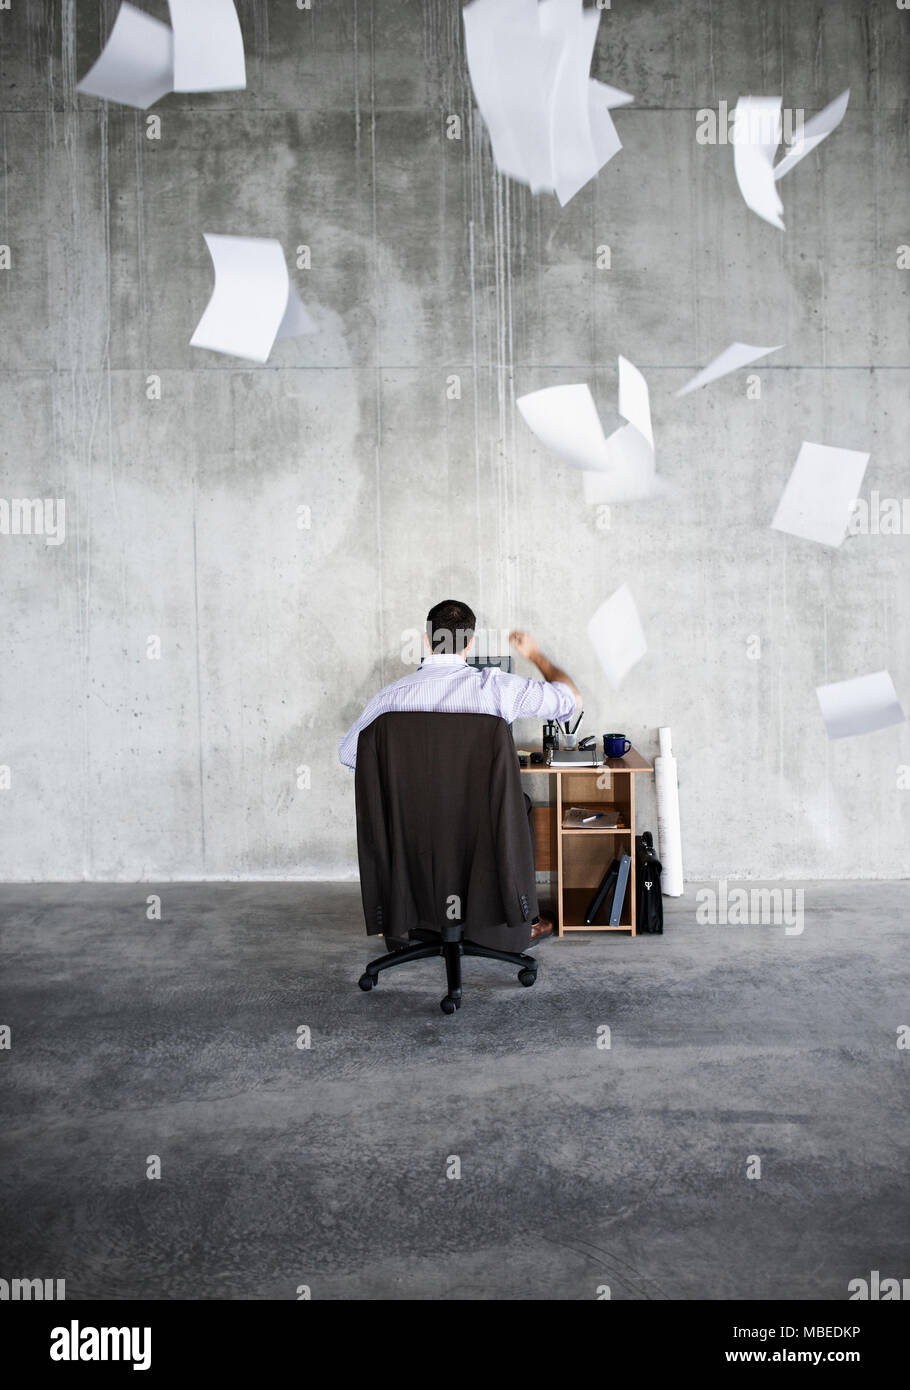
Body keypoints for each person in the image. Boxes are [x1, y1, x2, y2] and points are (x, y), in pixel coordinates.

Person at [338, 599, 582, 940]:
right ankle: (519, 920)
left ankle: (413, 916)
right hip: (479, 829)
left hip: (414, 832)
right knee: (520, 805)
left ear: (426, 641)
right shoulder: (499, 690)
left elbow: (350, 755)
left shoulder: (389, 698)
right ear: (470, 642)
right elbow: (570, 700)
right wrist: (536, 655)